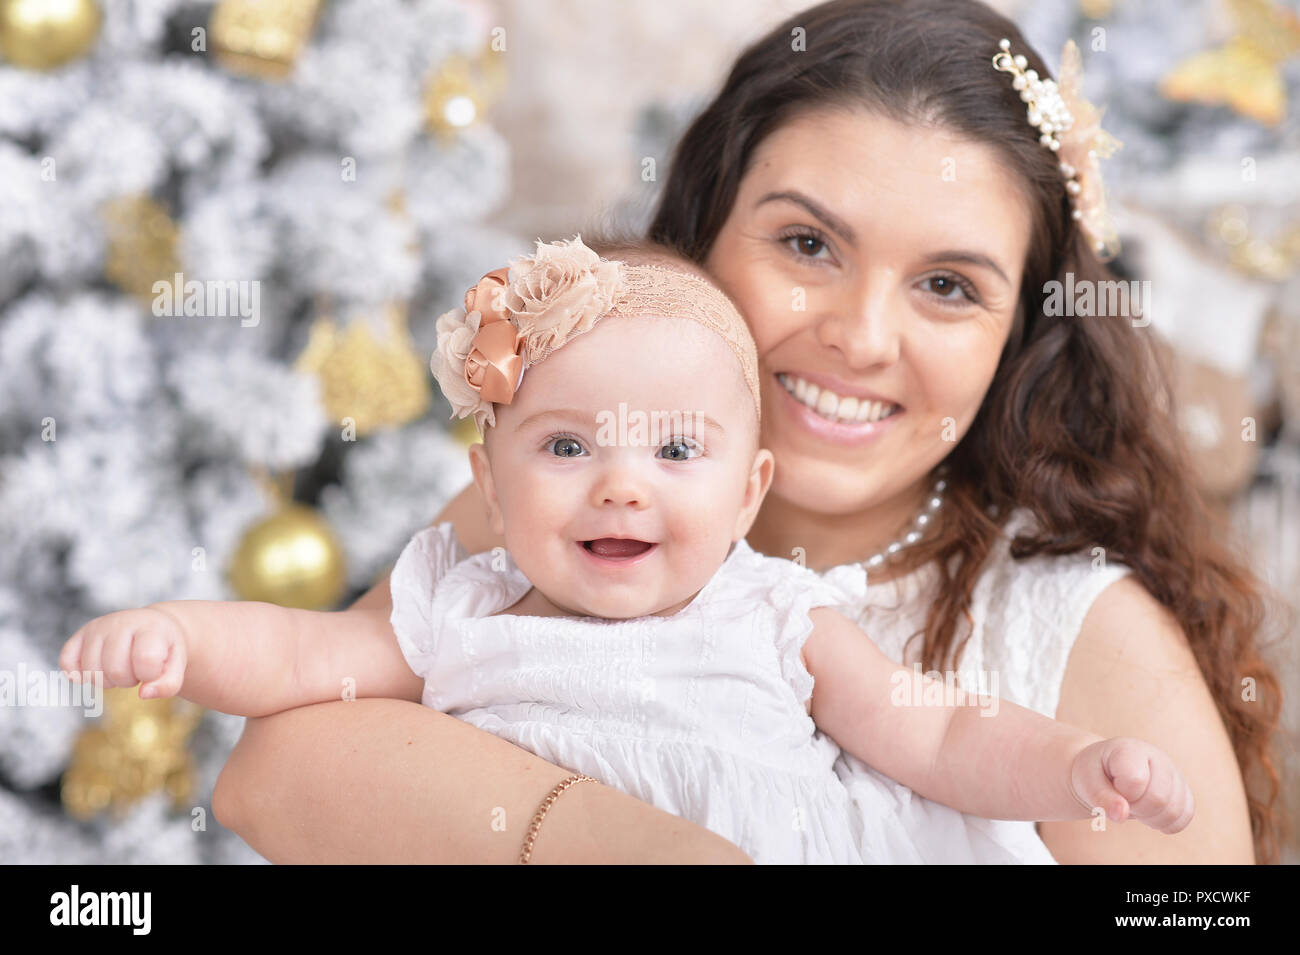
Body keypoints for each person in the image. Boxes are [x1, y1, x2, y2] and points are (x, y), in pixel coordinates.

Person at [211, 0, 1281, 864]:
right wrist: (613, 836)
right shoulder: (574, 504)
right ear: (701, 235)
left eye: (948, 285)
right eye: (807, 243)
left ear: (1020, 340)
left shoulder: (1078, 637)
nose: (860, 337)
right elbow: (276, 774)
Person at [62, 236, 1195, 864]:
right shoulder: (457, 611)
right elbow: (301, 660)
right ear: (489, 490)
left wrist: (1073, 767)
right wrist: (177, 636)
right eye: (564, 443)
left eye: (674, 449)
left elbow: (938, 730)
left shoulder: (773, 615)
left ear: (750, 491)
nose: (620, 480)